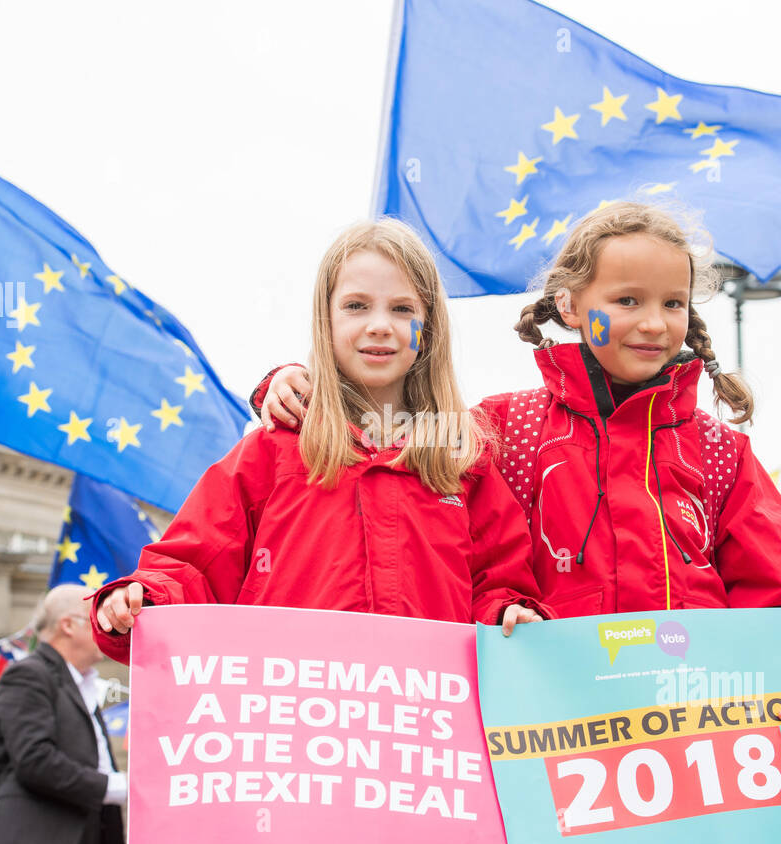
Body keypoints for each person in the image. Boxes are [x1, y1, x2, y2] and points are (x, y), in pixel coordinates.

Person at [253, 202, 781, 768]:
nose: (654, 322)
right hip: (551, 742)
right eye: (627, 300)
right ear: (571, 304)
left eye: (673, 303)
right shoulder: (504, 429)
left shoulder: (720, 452)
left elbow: (769, 601)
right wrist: (293, 386)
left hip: (695, 741)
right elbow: (381, 442)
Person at [91, 218, 549, 653]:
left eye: (403, 309)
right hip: (293, 719)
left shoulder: (462, 460)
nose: (379, 325)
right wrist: (142, 600)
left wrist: (510, 615)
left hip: (421, 720)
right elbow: (193, 565)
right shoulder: (274, 449)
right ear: (325, 323)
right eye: (356, 306)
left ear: (427, 332)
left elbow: (498, 582)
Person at [0, 584, 126, 844]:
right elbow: (34, 758)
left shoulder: (83, 685)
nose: (107, 629)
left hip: (86, 843)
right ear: (67, 625)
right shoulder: (27, 674)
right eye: (97, 619)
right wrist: (113, 786)